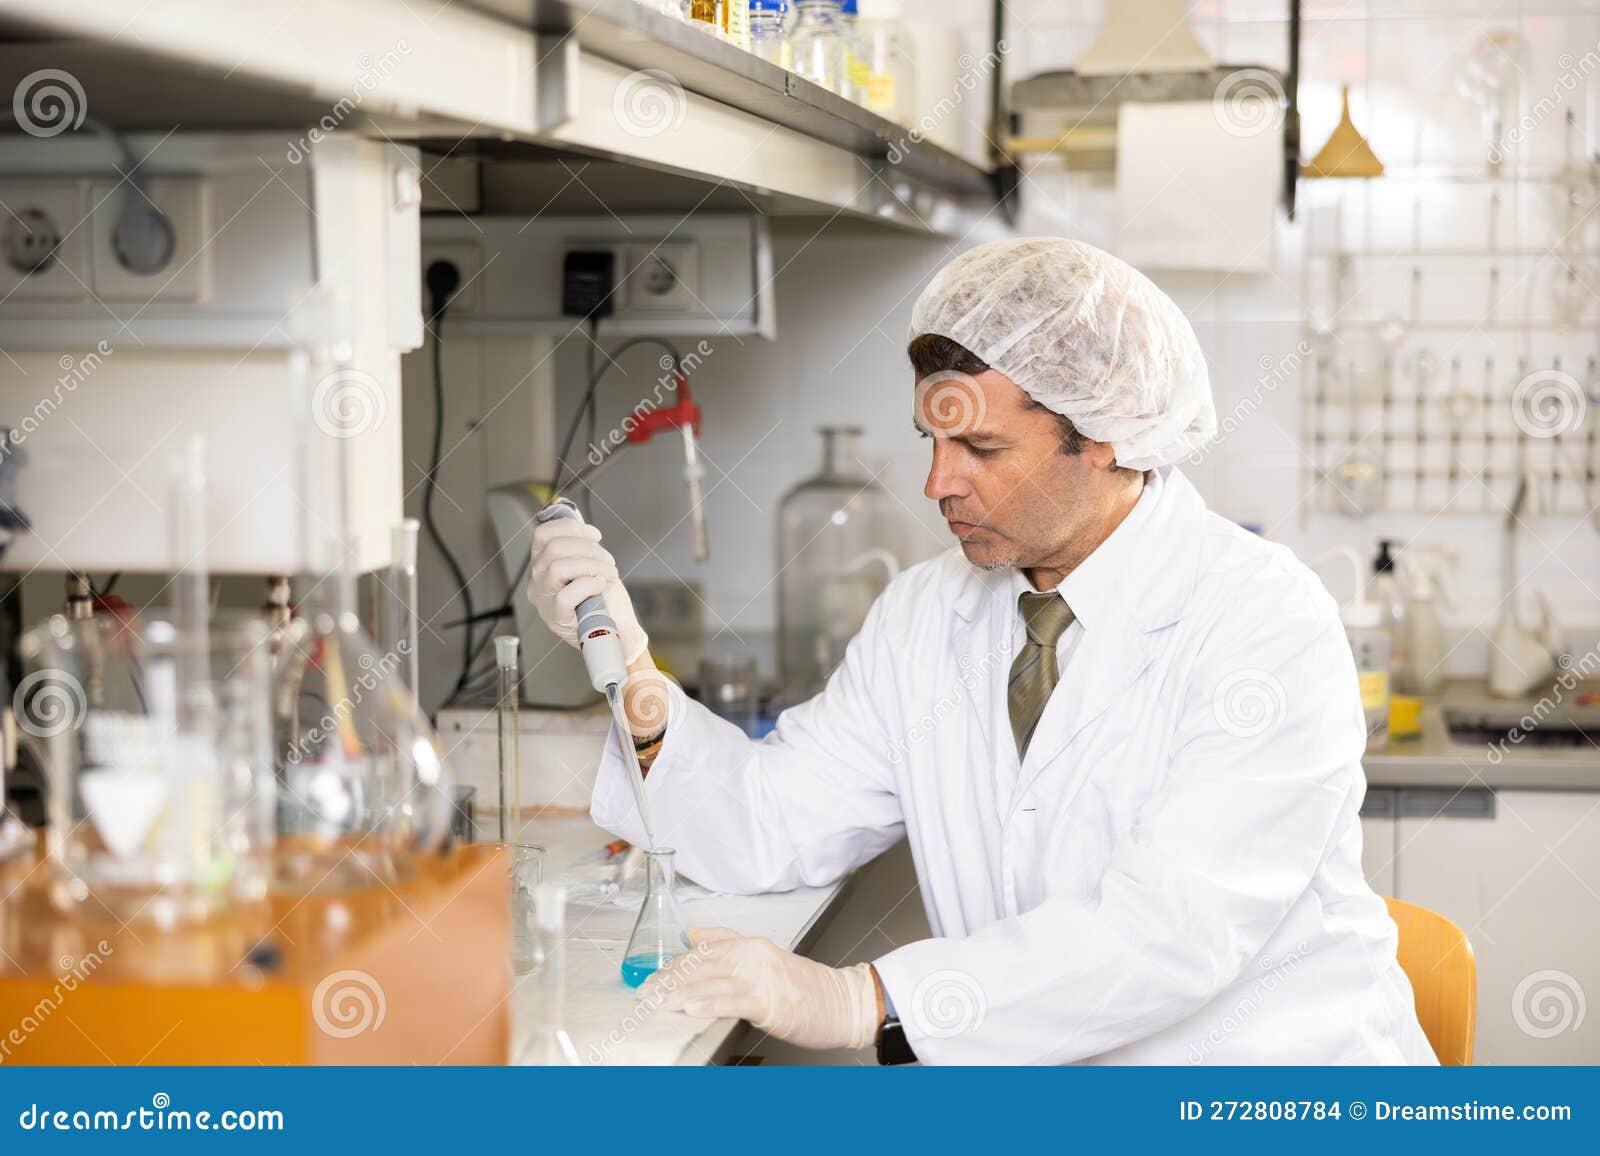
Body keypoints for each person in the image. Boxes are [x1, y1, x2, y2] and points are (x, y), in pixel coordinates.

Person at [527, 237, 1436, 1065]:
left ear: (1109, 435)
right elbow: (768, 824)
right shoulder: (928, 616)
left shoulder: (1263, 623)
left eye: (982, 447)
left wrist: (861, 1000)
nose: (935, 483)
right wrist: (631, 670)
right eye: (931, 439)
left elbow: (1169, 933)